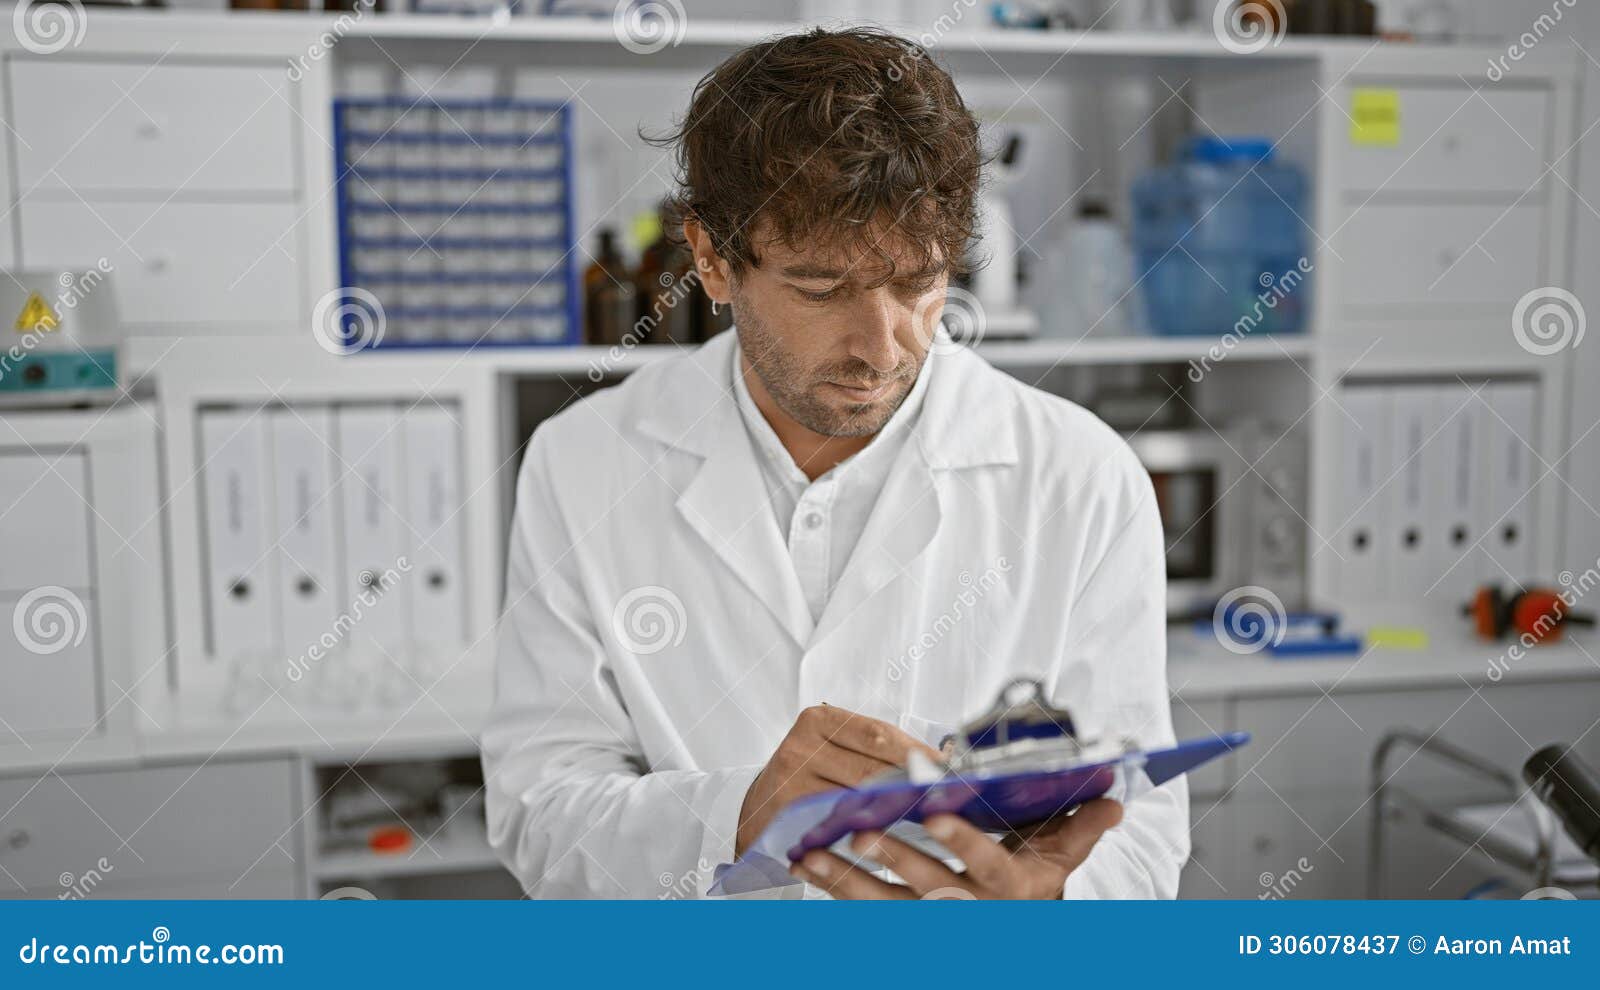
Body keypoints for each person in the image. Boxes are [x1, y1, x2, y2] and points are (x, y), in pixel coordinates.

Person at [482, 27, 1186, 899]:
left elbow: (1143, 830)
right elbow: (537, 812)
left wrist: (1045, 902)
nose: (882, 346)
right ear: (710, 259)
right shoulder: (583, 462)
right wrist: (736, 815)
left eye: (919, 281)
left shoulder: (1081, 476)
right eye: (822, 290)